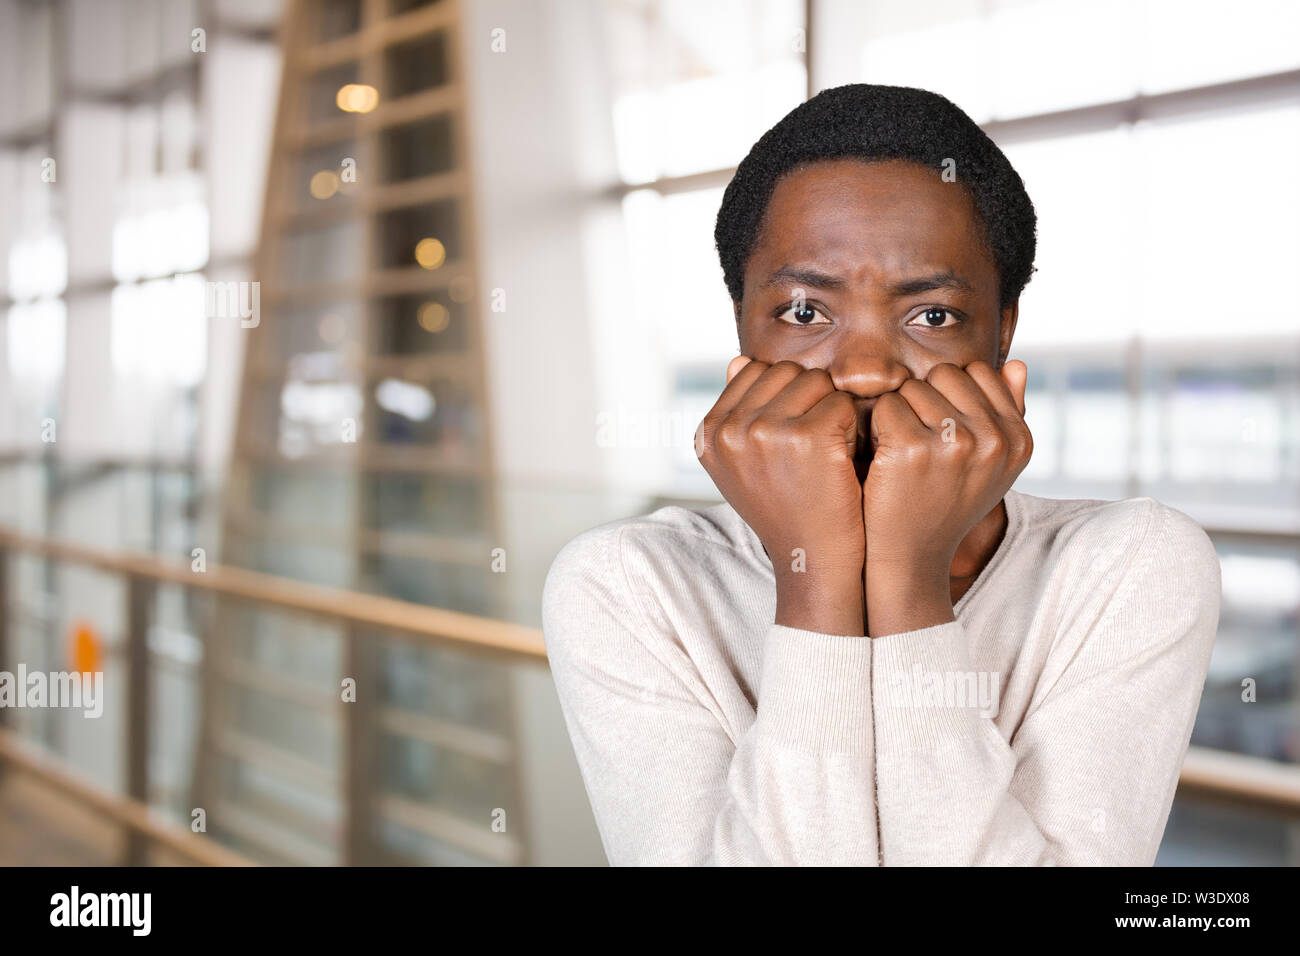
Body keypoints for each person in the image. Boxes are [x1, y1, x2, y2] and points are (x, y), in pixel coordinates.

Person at [541, 84, 1221, 865]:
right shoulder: (629, 587)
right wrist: (821, 578)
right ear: (740, 331)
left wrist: (906, 576)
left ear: (1002, 334)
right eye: (804, 312)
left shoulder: (1130, 566)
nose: (865, 372)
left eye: (931, 315)